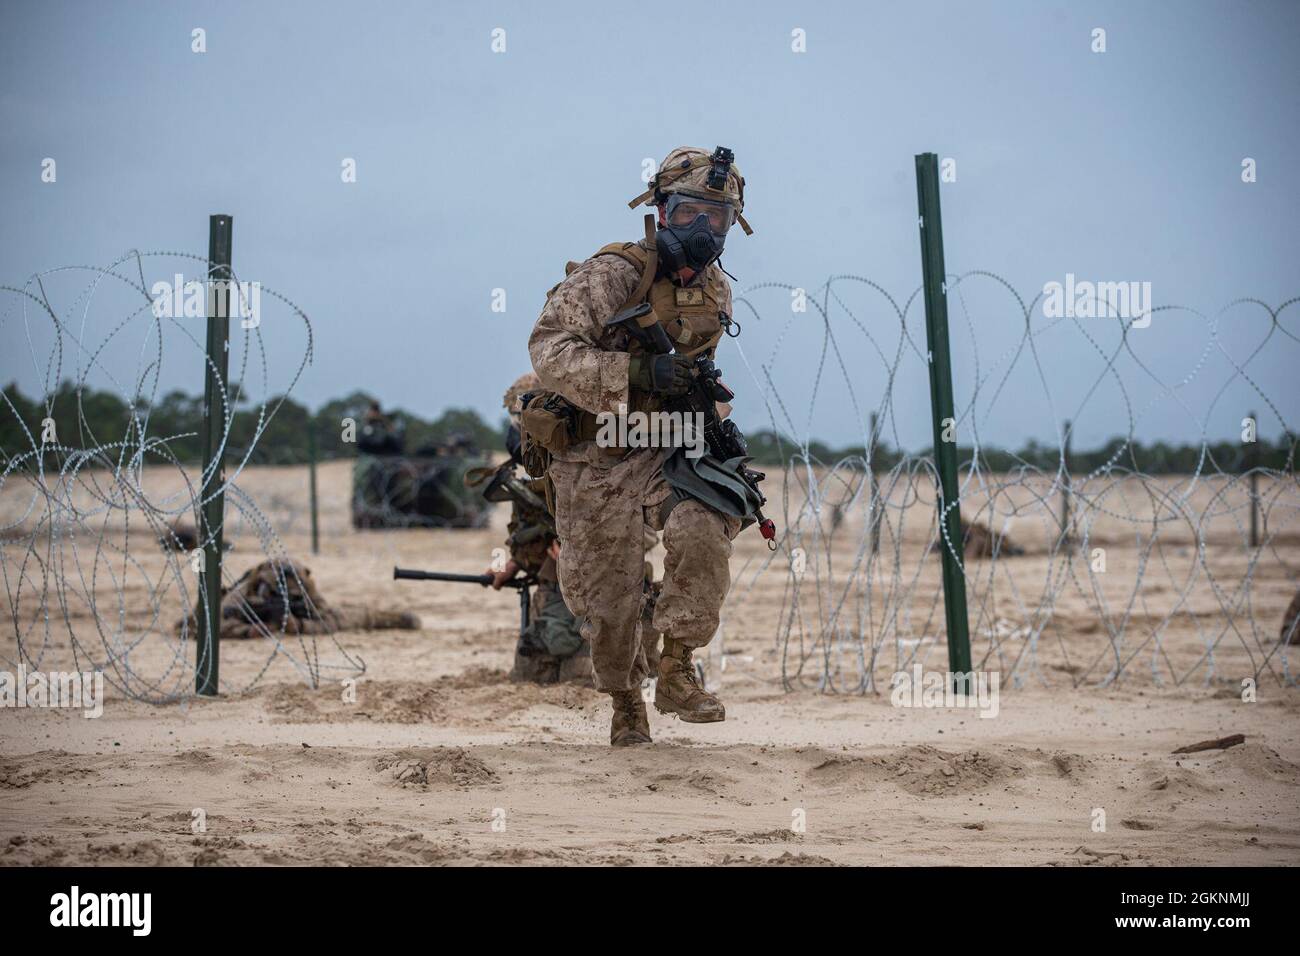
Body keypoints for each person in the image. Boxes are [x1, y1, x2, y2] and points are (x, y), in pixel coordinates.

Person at [527, 146, 755, 745]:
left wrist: (699, 396)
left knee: (706, 525)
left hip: (666, 448)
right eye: (689, 214)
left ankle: (678, 667)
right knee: (608, 604)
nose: (704, 230)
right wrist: (633, 375)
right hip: (595, 457)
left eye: (718, 217)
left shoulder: (717, 291)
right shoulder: (611, 275)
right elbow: (548, 349)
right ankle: (627, 702)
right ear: (660, 209)